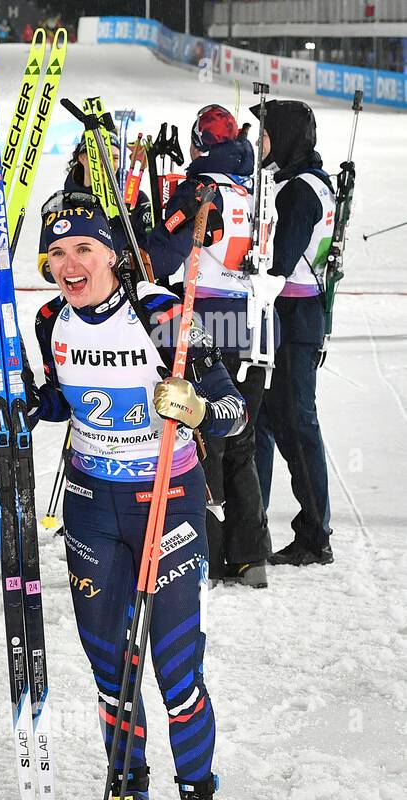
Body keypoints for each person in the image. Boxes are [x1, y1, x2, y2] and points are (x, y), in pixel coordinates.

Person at [29, 203, 243, 800]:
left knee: (177, 676)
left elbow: (234, 411)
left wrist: (199, 408)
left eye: (85, 250)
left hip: (168, 502)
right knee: (111, 678)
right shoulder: (48, 321)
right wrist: (3, 397)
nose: (70, 267)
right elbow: (56, 402)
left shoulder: (161, 315)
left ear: (115, 255)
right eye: (58, 255)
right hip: (93, 509)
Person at [146, 104, 270, 587]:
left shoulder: (202, 187)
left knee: (200, 432)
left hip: (207, 316)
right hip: (256, 319)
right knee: (240, 437)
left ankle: (209, 552)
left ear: (200, 142)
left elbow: (160, 256)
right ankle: (249, 554)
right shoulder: (250, 184)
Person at [251, 99, 336, 567]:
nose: (258, 143)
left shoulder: (299, 191)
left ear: (284, 137)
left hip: (293, 313)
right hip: (299, 313)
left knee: (295, 424)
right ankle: (255, 522)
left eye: (264, 135)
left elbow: (281, 262)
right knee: (267, 420)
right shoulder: (309, 181)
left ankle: (314, 534)